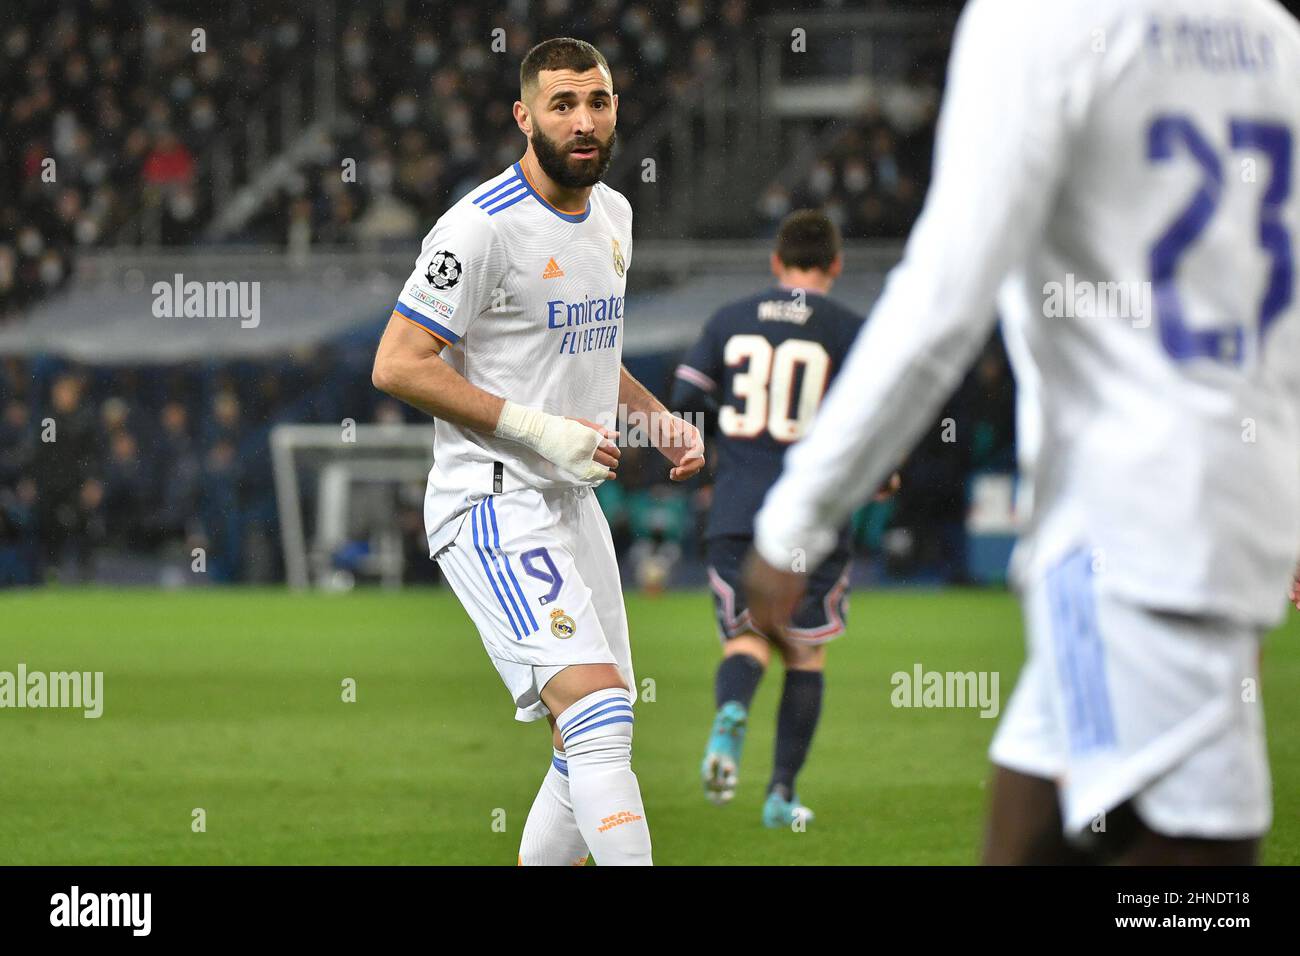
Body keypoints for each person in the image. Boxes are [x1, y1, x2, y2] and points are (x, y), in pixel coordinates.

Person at [744, 0, 1300, 864]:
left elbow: (941, 303)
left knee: (1202, 869)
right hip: (1195, 520)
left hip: (1133, 523)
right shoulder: (1271, 34)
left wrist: (795, 517)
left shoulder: (1035, 21)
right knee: (1034, 821)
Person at [371, 37, 705, 867]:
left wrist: (657, 419)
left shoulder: (616, 215)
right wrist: (544, 431)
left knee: (587, 736)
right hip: (492, 500)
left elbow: (587, 351)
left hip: (569, 502)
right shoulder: (479, 227)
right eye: (562, 104)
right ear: (524, 117)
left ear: (616, 110)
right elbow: (398, 364)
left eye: (597, 101)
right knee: (599, 717)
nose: (583, 120)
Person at [671, 210, 894, 827]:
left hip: (739, 511)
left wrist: (714, 456)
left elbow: (687, 400)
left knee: (746, 637)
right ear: (836, 265)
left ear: (776, 262)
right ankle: (781, 796)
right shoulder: (848, 329)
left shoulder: (728, 319)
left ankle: (732, 711)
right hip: (814, 519)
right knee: (804, 652)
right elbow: (873, 420)